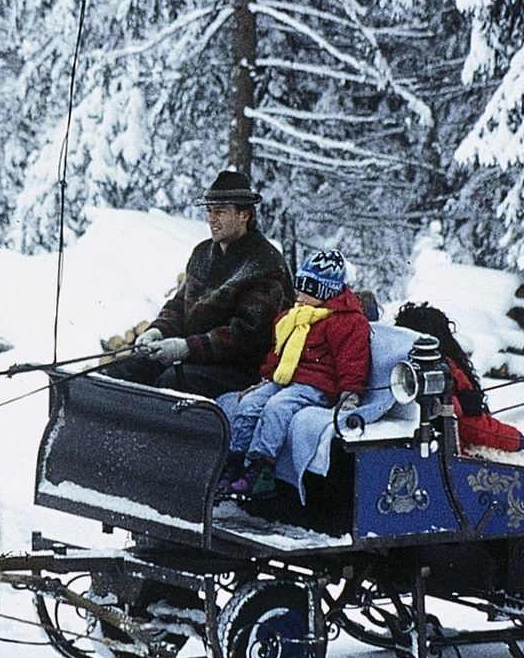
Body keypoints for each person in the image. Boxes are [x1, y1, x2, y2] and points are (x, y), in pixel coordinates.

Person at [103, 170, 293, 398]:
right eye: (209, 211)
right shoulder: (203, 254)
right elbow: (180, 304)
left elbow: (247, 336)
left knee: (172, 382)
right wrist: (157, 330)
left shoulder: (265, 263)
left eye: (220, 212)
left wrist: (186, 348)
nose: (211, 219)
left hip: (241, 369)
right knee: (122, 370)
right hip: (195, 358)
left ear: (245, 215)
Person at [218, 250, 372, 500]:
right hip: (285, 380)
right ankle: (234, 462)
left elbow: (352, 360)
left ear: (325, 291)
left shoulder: (347, 322)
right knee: (248, 405)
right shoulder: (297, 316)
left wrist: (350, 393)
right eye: (298, 286)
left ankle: (260, 469)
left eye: (307, 288)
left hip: (317, 386)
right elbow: (279, 354)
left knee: (277, 408)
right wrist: (266, 379)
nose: (299, 294)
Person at [390, 302, 524, 453]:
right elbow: (471, 426)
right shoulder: (447, 372)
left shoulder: (394, 369)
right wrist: (515, 440)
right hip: (453, 457)